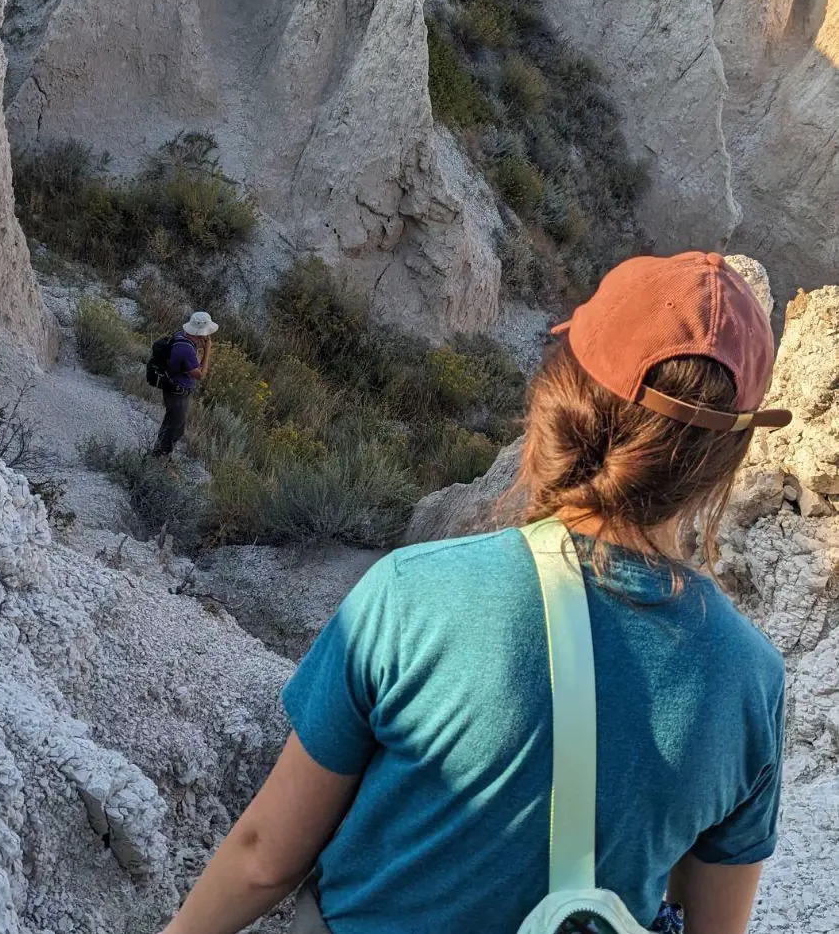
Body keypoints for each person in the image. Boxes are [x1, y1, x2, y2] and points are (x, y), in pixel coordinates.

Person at [160, 252, 789, 934]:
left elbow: (265, 860)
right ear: (723, 463)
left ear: (559, 396)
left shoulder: (412, 597)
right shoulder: (750, 679)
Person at [152, 311, 218, 458]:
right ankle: (162, 459)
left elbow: (191, 365)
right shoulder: (186, 349)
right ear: (201, 333)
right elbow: (201, 374)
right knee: (175, 427)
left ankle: (158, 454)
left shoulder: (181, 336)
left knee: (170, 423)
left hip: (172, 387)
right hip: (177, 392)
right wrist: (207, 350)